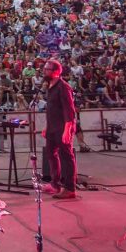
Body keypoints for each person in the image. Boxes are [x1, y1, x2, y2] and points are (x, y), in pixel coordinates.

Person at [41, 59, 77, 199]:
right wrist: (47, 127)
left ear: (56, 72)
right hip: (52, 128)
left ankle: (69, 188)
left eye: (47, 69)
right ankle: (55, 184)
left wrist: (67, 130)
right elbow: (53, 110)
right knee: (51, 155)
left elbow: (70, 110)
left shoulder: (63, 87)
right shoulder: (50, 86)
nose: (44, 71)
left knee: (66, 157)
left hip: (63, 128)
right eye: (44, 68)